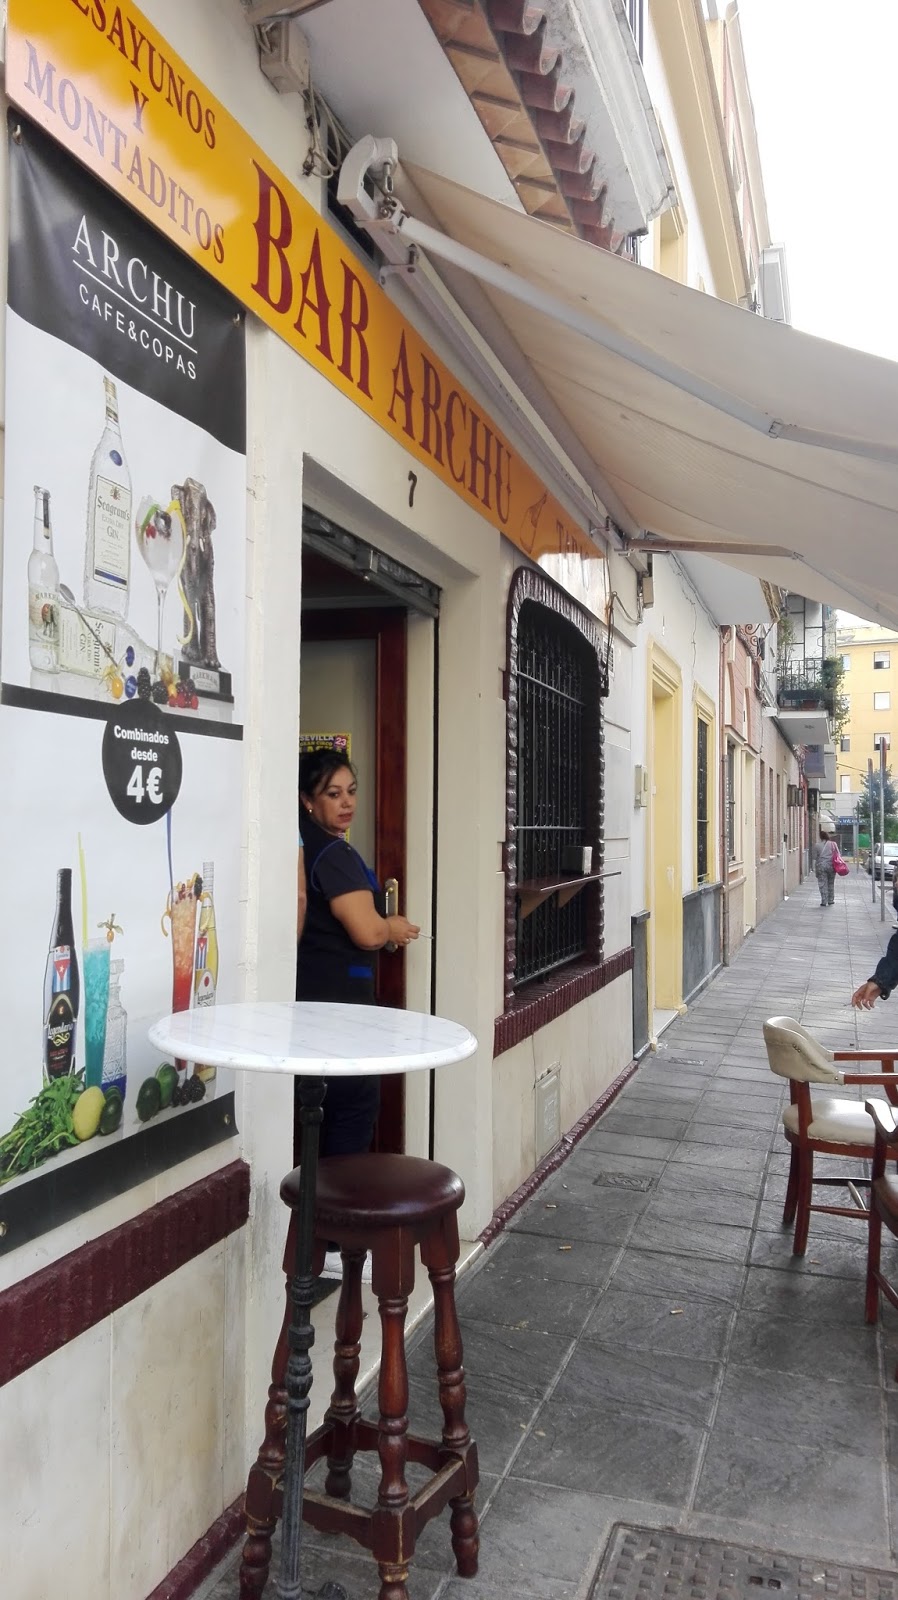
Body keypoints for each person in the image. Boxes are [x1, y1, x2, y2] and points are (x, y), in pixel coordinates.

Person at [296, 745, 419, 1161]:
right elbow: (367, 932)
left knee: (318, 1114)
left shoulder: (304, 846)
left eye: (351, 791)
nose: (347, 802)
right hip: (338, 1009)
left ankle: (318, 1211)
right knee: (351, 1109)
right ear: (307, 800)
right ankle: (340, 1215)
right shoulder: (332, 854)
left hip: (310, 1001)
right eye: (333, 794)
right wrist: (393, 927)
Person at [811, 826, 837, 907]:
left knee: (822, 883)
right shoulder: (833, 844)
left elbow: (814, 857)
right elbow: (837, 855)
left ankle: (824, 900)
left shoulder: (817, 845)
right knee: (831, 883)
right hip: (832, 866)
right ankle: (831, 900)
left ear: (820, 837)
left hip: (821, 866)